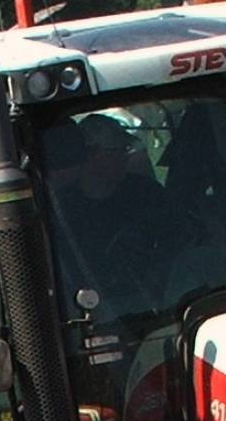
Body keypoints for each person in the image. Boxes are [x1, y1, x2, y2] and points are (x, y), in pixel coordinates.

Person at [41, 113, 178, 312]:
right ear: (89, 155)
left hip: (165, 298)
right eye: (117, 151)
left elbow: (181, 234)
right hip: (95, 311)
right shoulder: (60, 211)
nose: (125, 157)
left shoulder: (146, 193)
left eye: (126, 149)